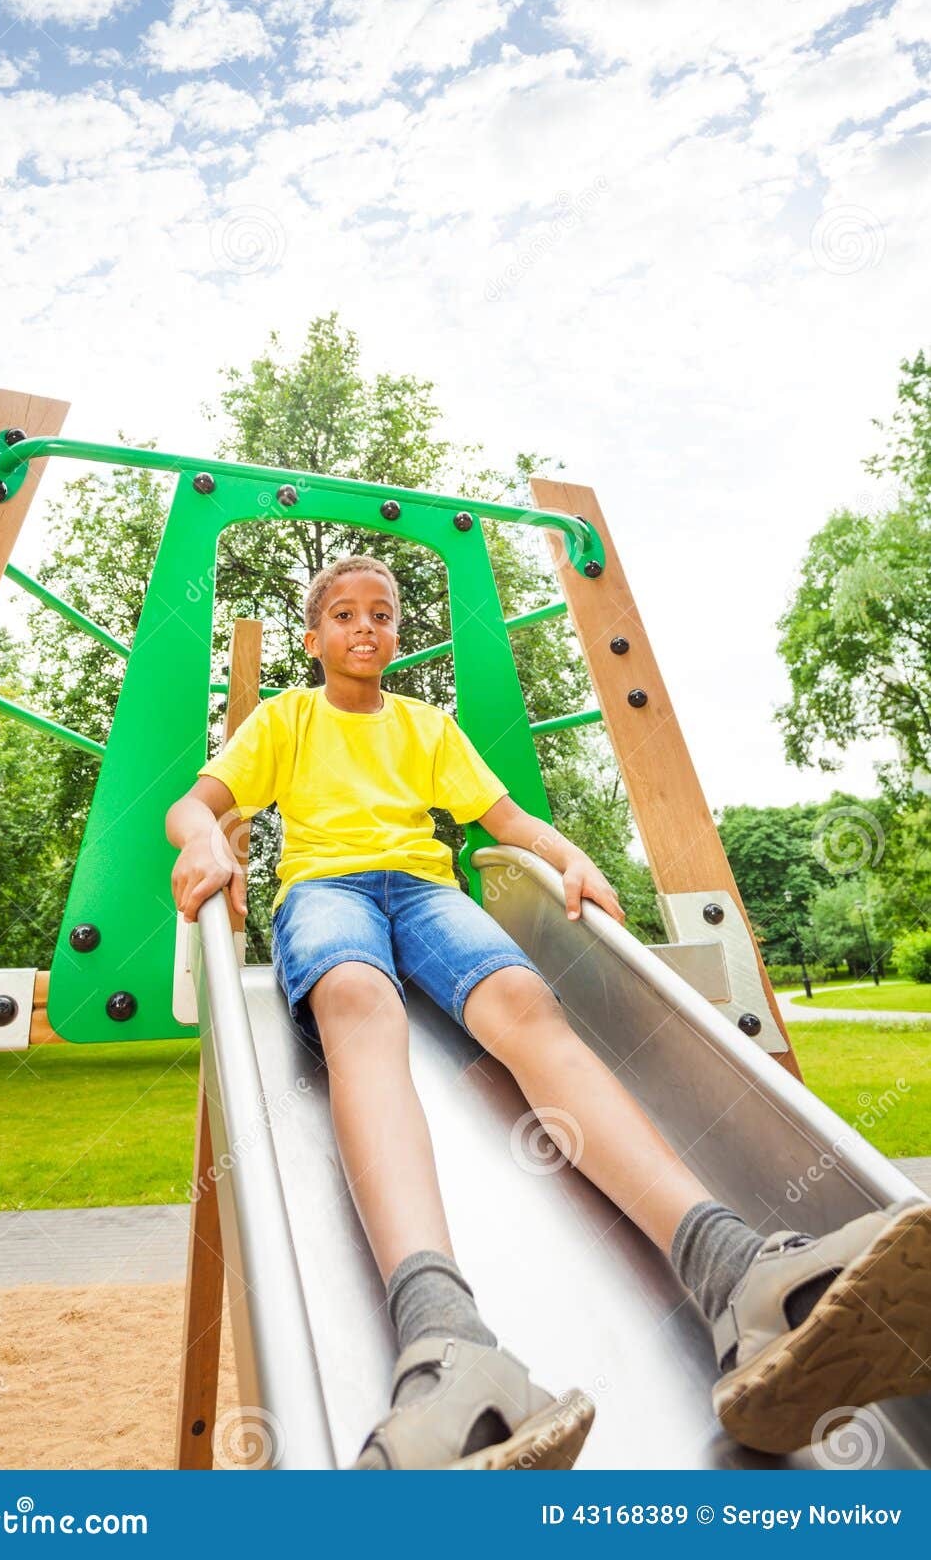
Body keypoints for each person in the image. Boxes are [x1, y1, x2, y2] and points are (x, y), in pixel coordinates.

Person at [167, 554, 931, 1469]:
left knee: (526, 1002)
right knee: (358, 1001)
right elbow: (192, 804)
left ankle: (735, 1272)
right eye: (342, 615)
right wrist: (209, 837)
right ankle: (443, 1340)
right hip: (326, 891)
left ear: (397, 635)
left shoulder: (425, 726)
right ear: (314, 636)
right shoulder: (286, 720)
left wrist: (564, 853)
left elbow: (505, 822)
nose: (363, 628)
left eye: (380, 614)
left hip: (421, 890)